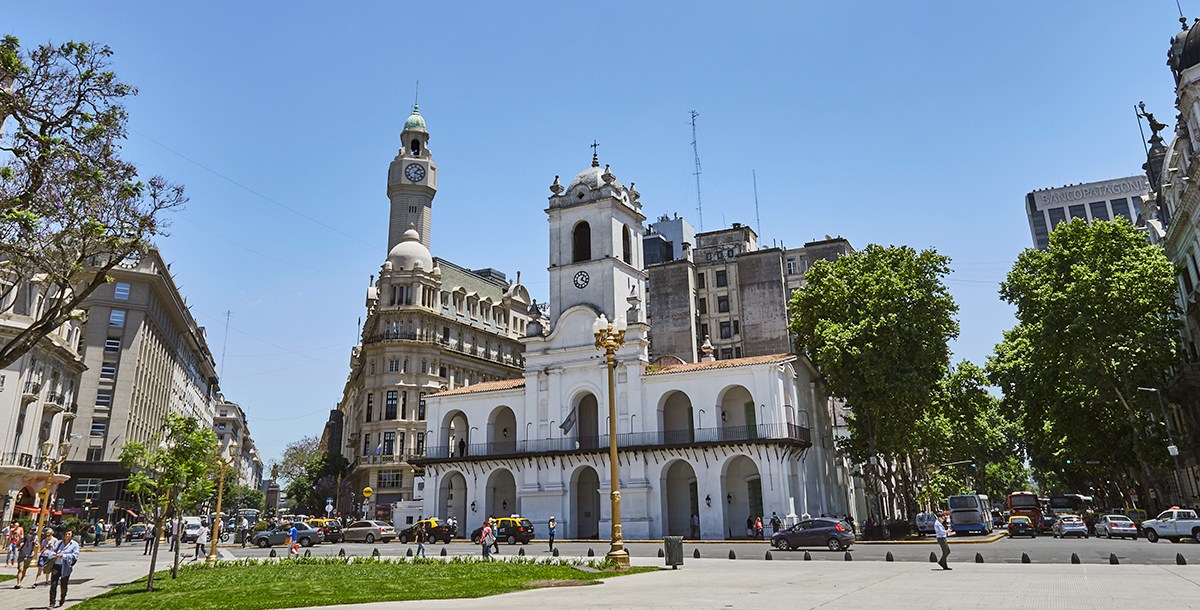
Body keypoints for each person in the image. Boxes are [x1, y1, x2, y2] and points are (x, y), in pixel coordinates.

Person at [48, 529, 79, 607]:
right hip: (56, 565)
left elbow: (75, 556)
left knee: (63, 584)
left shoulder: (74, 545)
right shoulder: (59, 543)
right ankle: (52, 602)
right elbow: (51, 551)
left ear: (72, 536)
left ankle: (62, 597)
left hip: (66, 566)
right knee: (53, 584)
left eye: (68, 534)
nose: (66, 535)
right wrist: (54, 554)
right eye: (66, 534)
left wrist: (63, 556)